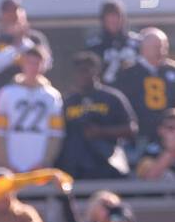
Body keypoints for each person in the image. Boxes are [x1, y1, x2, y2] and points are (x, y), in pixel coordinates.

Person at [58, 52, 138, 180]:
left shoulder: (112, 97)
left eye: (86, 70)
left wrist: (101, 132)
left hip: (106, 163)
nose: (82, 75)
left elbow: (131, 128)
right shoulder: (67, 101)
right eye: (78, 71)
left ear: (96, 71)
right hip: (75, 167)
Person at [0, 46, 64, 172]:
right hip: (12, 160)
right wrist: (5, 162)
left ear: (45, 65)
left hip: (38, 162)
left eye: (37, 63)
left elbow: (55, 134)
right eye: (29, 62)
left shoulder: (52, 96)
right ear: (22, 63)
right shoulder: (6, 93)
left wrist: (45, 161)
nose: (33, 67)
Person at [115, 29, 175, 147]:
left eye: (164, 46)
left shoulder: (171, 70)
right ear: (144, 48)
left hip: (170, 136)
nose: (162, 51)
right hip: (141, 135)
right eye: (157, 46)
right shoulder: (129, 73)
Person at [0, 0, 52, 89]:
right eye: (7, 11)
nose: (12, 15)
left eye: (16, 10)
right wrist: (16, 46)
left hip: (33, 93)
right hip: (1, 93)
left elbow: (47, 63)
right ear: (1, 15)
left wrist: (23, 40)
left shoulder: (35, 38)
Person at [84, 1, 141, 85]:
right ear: (103, 20)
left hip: (133, 92)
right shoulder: (95, 46)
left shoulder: (136, 43)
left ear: (123, 18)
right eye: (109, 16)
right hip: (105, 94)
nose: (113, 20)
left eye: (117, 16)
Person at [136, 109, 175, 180]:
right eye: (171, 128)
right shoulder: (150, 151)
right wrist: (170, 151)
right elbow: (148, 179)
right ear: (160, 130)